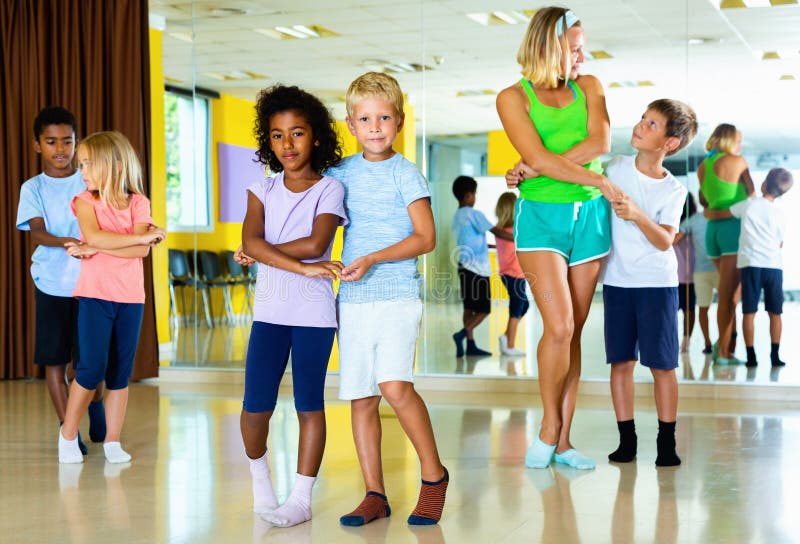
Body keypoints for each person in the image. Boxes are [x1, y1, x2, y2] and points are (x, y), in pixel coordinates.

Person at [497, 6, 621, 470]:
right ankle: (549, 426)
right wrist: (550, 165)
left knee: (573, 334)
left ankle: (563, 443)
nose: (581, 57)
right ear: (548, 48)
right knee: (560, 325)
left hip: (588, 220)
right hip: (541, 221)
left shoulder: (589, 87)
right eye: (574, 48)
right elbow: (542, 159)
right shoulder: (513, 98)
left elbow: (600, 144)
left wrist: (538, 162)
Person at [325, 72, 448, 526]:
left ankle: (433, 478)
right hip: (353, 298)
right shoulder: (339, 173)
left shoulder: (405, 173)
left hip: (397, 294)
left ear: (398, 121)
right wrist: (257, 248)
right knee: (361, 396)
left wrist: (374, 257)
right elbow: (312, 219)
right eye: (365, 119)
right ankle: (374, 494)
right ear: (351, 125)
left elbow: (426, 237)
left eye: (384, 118)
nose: (374, 126)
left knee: (394, 386)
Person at [237, 85, 347, 528]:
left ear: (316, 137)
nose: (288, 144)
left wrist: (264, 251)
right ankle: (259, 477)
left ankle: (300, 498)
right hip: (269, 313)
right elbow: (250, 241)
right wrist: (293, 264)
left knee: (308, 405)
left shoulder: (331, 188)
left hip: (314, 315)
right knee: (255, 407)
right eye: (278, 135)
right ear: (269, 141)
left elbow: (318, 242)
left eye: (297, 133)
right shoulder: (260, 189)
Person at [57, 131, 165, 464]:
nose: (83, 171)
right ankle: (67, 437)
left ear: (114, 164)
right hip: (94, 296)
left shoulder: (139, 202)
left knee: (120, 373)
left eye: (88, 164)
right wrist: (100, 241)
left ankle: (113, 442)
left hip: (131, 298)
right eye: (82, 164)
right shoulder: (85, 201)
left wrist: (96, 247)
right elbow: (97, 234)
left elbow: (141, 251)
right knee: (90, 370)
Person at [603, 99, 698, 467]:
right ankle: (627, 441)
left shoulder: (674, 191)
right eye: (643, 118)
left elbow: (664, 240)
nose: (640, 125)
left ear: (670, 143)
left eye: (652, 124)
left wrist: (637, 214)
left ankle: (666, 442)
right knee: (621, 364)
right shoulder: (613, 168)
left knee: (662, 366)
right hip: (617, 282)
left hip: (657, 285)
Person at [16, 106, 105, 456]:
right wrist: (72, 243)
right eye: (51, 142)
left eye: (66, 141)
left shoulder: (89, 179)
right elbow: (37, 233)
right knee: (55, 363)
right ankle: (68, 432)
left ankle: (96, 407)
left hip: (90, 284)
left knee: (90, 364)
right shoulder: (32, 188)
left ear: (76, 142)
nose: (60, 149)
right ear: (38, 145)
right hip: (51, 284)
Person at [705, 168, 793, 368]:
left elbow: (723, 214)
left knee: (749, 313)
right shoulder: (780, 214)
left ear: (763, 184)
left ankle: (751, 357)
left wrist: (709, 212)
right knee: (775, 313)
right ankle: (775, 356)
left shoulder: (749, 204)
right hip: (773, 267)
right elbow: (780, 244)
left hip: (751, 264)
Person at [698, 123, 755, 364]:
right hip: (733, 233)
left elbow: (705, 203)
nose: (740, 145)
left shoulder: (703, 166)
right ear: (728, 140)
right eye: (738, 140)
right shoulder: (738, 162)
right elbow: (752, 198)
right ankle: (722, 352)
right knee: (726, 295)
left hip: (713, 234)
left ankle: (726, 346)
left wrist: (717, 212)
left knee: (730, 295)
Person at [451, 176, 515, 357]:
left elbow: (470, 240)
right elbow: (498, 232)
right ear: (468, 195)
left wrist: (494, 246)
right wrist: (518, 239)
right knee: (485, 309)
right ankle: (461, 334)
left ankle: (470, 344)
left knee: (468, 308)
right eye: (474, 194)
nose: (475, 198)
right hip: (477, 269)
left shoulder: (457, 216)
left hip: (463, 266)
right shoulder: (474, 214)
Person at [679, 194, 718, 354]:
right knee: (693, 309)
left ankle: (701, 343)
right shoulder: (691, 222)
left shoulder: (688, 223)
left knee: (696, 309)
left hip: (689, 274)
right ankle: (692, 342)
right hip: (694, 273)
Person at [495, 191, 530, 356]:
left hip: (512, 274)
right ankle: (510, 345)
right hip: (513, 275)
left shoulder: (502, 228)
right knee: (516, 308)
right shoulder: (512, 230)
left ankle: (506, 336)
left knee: (524, 305)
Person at [673, 194, 696, 353]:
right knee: (689, 310)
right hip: (685, 274)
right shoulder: (689, 224)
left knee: (681, 309)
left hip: (678, 275)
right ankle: (685, 341)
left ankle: (685, 341)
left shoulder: (687, 225)